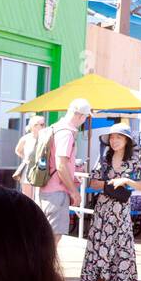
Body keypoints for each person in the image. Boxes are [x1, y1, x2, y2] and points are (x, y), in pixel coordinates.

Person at [82, 123, 141, 281]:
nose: (114, 140)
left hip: (122, 208)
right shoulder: (103, 159)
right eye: (112, 137)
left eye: (118, 137)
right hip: (103, 207)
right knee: (102, 242)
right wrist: (110, 184)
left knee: (123, 243)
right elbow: (93, 182)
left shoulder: (133, 161)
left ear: (126, 140)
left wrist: (126, 181)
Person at [36, 98, 91, 241]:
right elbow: (61, 165)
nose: (84, 121)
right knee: (53, 237)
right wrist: (74, 192)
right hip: (57, 192)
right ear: (80, 115)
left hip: (46, 188)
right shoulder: (66, 133)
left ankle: (42, 263)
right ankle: (46, 264)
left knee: (44, 236)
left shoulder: (54, 128)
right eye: (85, 117)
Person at [12, 115, 45, 200]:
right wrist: (25, 158)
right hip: (28, 169)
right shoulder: (26, 138)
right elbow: (17, 150)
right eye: (42, 124)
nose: (44, 126)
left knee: (39, 198)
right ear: (34, 126)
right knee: (27, 198)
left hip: (41, 169)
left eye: (44, 124)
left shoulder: (45, 138)